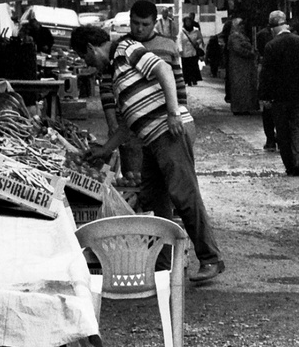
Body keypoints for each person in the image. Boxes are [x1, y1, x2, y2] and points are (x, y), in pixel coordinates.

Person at [72, 23, 226, 283]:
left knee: (183, 194)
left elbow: (163, 69)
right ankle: (162, 264)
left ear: (90, 48)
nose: (88, 63)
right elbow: (129, 121)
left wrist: (174, 112)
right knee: (154, 199)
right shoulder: (115, 70)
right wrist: (105, 150)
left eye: (85, 57)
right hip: (151, 139)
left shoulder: (126, 49)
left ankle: (210, 258)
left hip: (169, 131)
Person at [258, 10, 299, 176]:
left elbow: (266, 73)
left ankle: (289, 164)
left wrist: (264, 96)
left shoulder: (271, 46)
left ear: (272, 28)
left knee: (283, 129)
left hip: (280, 97)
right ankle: (298, 160)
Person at [226, 13, 262, 122]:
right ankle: (240, 107)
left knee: (245, 86)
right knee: (240, 86)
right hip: (239, 66)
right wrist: (250, 52)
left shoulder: (239, 35)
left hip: (243, 66)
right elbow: (238, 49)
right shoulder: (235, 36)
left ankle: (245, 107)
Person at [255, 15, 280, 150]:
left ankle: (274, 139)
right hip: (272, 74)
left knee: (271, 110)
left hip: (272, 75)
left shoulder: (263, 35)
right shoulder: (263, 35)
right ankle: (272, 138)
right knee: (269, 111)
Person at [181, 17, 204, 86]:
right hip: (185, 52)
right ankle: (188, 80)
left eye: (189, 22)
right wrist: (180, 50)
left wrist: (197, 42)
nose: (188, 23)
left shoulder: (196, 30)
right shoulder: (182, 31)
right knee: (186, 67)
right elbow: (179, 41)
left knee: (193, 66)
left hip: (193, 51)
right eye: (187, 22)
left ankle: (194, 79)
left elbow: (200, 38)